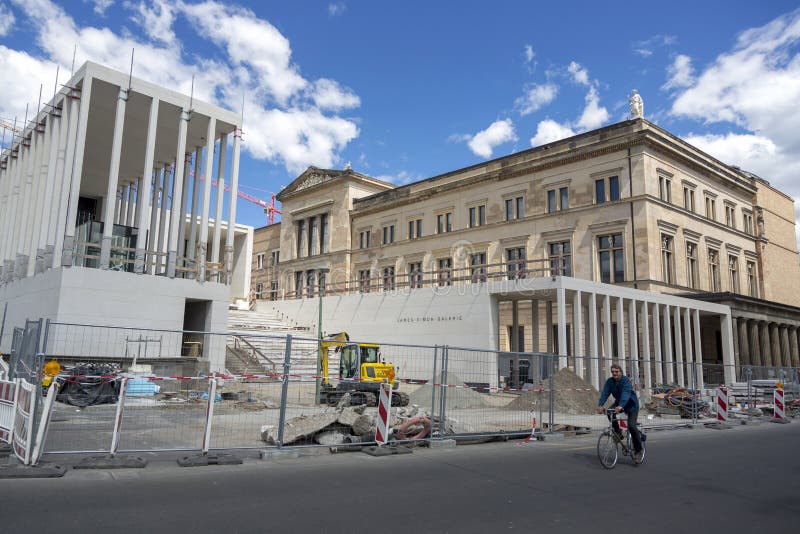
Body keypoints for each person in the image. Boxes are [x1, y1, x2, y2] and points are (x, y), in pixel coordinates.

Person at [596, 363, 645, 463]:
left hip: (631, 405)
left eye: (616, 372)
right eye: (612, 372)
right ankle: (618, 432)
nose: (614, 373)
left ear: (621, 372)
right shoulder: (610, 382)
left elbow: (626, 394)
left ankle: (638, 450)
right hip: (619, 404)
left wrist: (621, 405)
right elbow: (605, 393)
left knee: (631, 426)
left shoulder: (625, 381)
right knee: (609, 412)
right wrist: (600, 405)